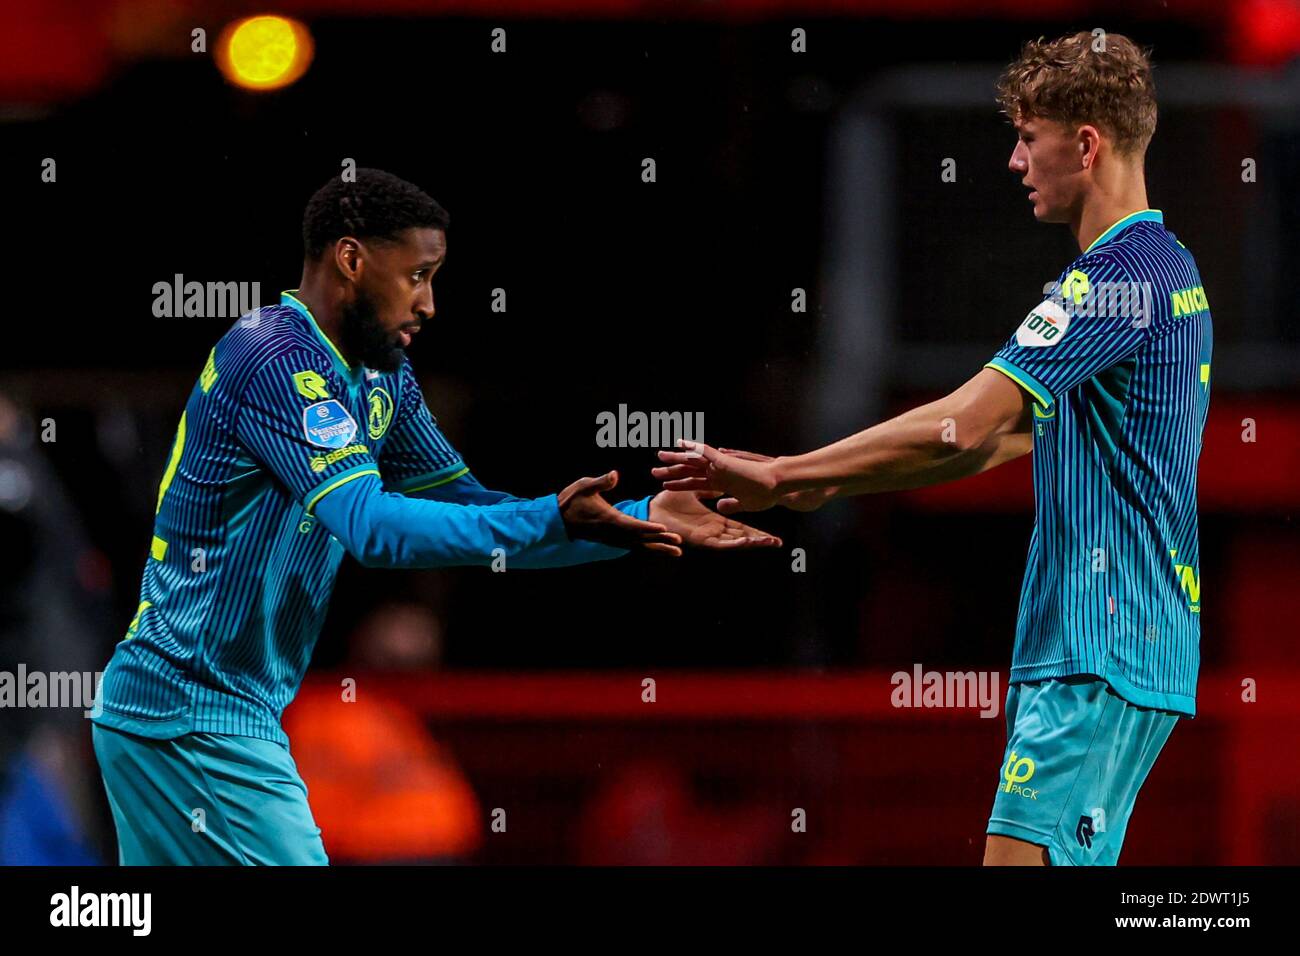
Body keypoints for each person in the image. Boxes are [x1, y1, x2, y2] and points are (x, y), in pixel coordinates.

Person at [91, 168, 781, 865]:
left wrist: (637, 516)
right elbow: (372, 527)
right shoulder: (274, 357)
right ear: (352, 260)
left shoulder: (381, 373)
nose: (429, 304)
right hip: (192, 712)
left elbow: (471, 510)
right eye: (417, 275)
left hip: (199, 711)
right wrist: (553, 518)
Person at [655, 32, 1210, 866]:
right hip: (1130, 644)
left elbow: (967, 420)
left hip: (1100, 647)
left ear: (1085, 144)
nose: (1015, 161)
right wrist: (820, 490)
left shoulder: (1113, 280)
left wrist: (785, 470)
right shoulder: (1171, 269)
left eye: (1029, 137)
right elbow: (990, 444)